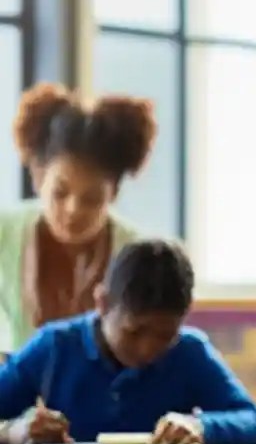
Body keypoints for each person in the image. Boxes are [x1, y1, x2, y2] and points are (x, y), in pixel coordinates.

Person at [0, 239, 256, 444]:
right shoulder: (54, 347)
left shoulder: (190, 351)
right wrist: (14, 432)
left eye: (165, 336)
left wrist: (200, 427)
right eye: (134, 332)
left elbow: (254, 422)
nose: (147, 349)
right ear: (102, 303)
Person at [0, 83, 157, 352]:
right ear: (38, 179)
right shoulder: (5, 233)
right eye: (60, 193)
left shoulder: (139, 255)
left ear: (114, 193)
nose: (73, 210)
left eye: (91, 199)